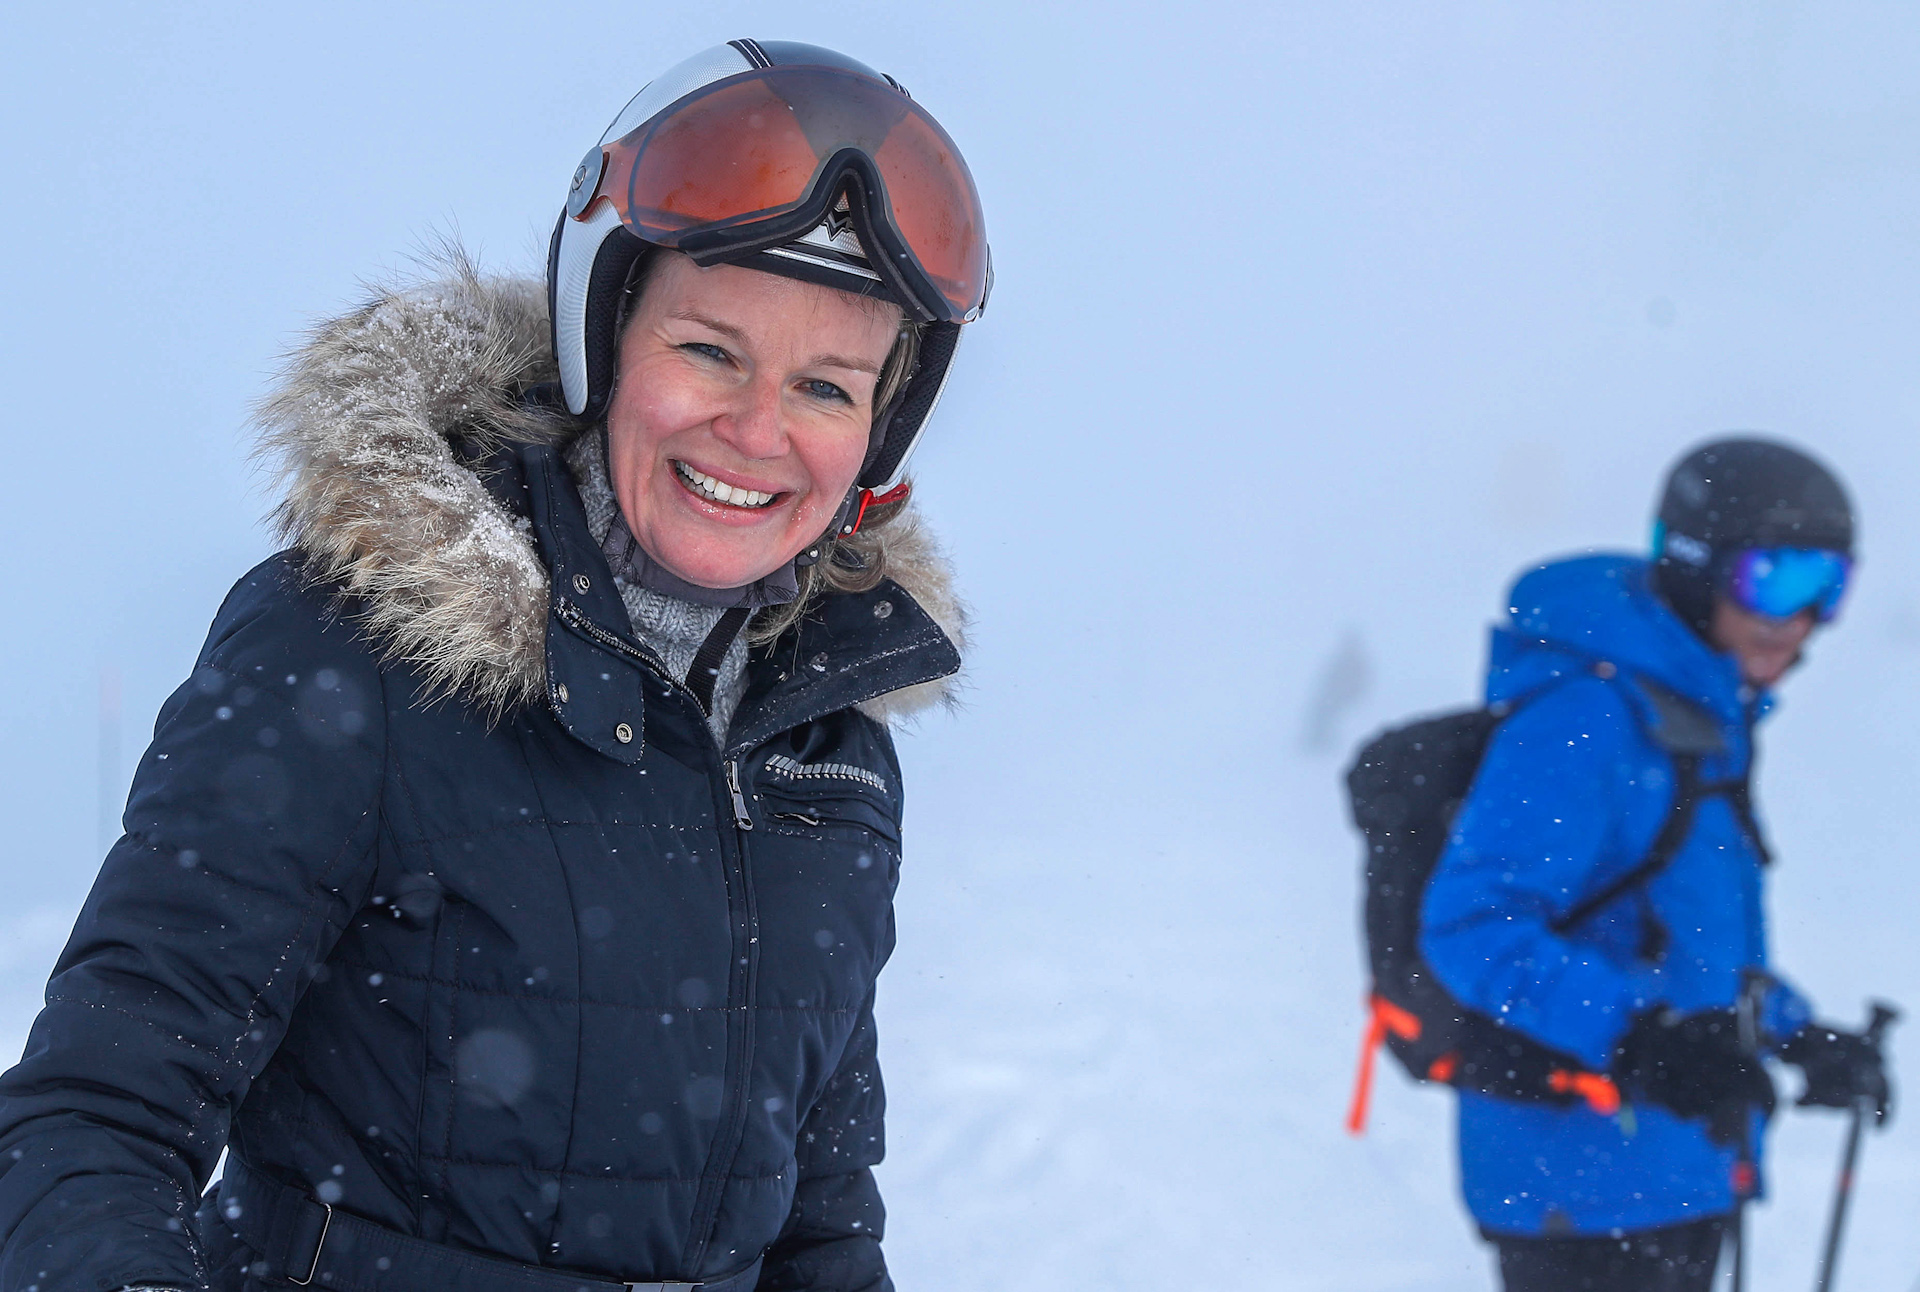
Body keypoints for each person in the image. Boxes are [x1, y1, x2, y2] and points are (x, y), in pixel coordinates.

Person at [0, 38, 988, 1292]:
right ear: (606, 335)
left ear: (877, 435)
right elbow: (93, 1118)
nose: (757, 431)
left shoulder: (827, 754)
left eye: (827, 386)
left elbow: (820, 1231)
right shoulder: (353, 657)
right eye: (710, 351)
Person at [1420, 438, 1893, 1292]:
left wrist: (1795, 1031)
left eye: (1829, 587)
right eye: (1775, 579)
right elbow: (1470, 924)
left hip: (1673, 1167)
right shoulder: (1586, 721)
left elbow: (1685, 945)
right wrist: (1639, 1038)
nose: (1798, 619)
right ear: (1694, 564)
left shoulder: (1699, 724)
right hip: (1577, 1174)